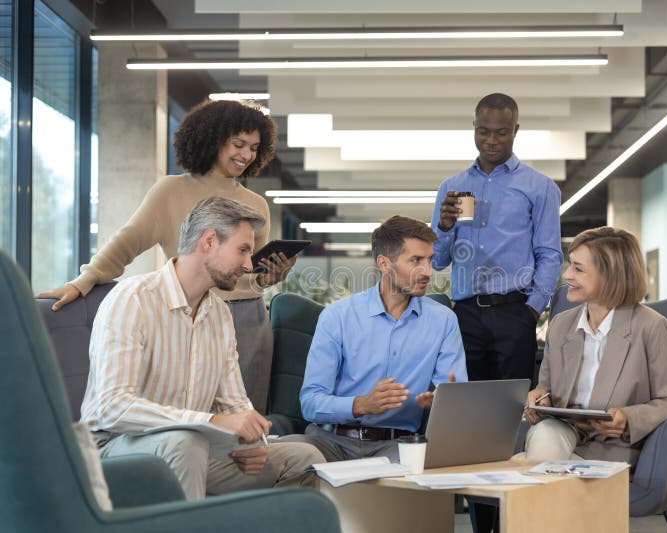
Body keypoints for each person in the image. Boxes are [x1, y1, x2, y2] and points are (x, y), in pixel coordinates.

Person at [38, 99, 291, 414]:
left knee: (244, 413)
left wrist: (273, 275)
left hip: (247, 317)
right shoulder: (170, 191)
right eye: (238, 144)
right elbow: (128, 241)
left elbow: (251, 272)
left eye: (254, 148)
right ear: (213, 138)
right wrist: (83, 281)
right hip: (185, 313)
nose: (246, 155)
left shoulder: (256, 204)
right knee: (184, 408)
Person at [81, 197, 323, 500]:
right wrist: (210, 422)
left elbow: (235, 404)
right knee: (187, 444)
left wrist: (249, 444)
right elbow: (111, 407)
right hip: (115, 452)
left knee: (304, 459)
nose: (249, 265)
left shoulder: (219, 315)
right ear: (209, 241)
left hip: (192, 450)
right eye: (243, 250)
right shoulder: (133, 300)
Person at [295, 215, 468, 461]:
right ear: (384, 264)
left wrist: (442, 402)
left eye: (429, 260)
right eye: (416, 260)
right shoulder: (337, 316)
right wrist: (361, 405)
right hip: (329, 442)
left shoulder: (444, 321)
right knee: (284, 454)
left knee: (433, 465)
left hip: (397, 447)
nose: (427, 271)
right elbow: (310, 403)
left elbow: (453, 395)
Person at [523, 226, 667, 463]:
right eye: (570, 265)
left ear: (610, 275)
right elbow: (545, 389)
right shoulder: (560, 325)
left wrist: (628, 418)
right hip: (562, 437)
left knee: (544, 472)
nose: (567, 275)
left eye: (578, 269)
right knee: (546, 436)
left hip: (614, 449)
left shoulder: (651, 327)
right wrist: (539, 399)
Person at [431, 92, 562, 385]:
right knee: (463, 404)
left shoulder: (539, 187)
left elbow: (550, 254)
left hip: (514, 312)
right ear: (474, 127)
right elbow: (438, 261)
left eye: (501, 132)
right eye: (483, 131)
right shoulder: (454, 187)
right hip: (464, 316)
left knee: (511, 408)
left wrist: (532, 310)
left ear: (515, 130)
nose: (491, 140)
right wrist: (444, 225)